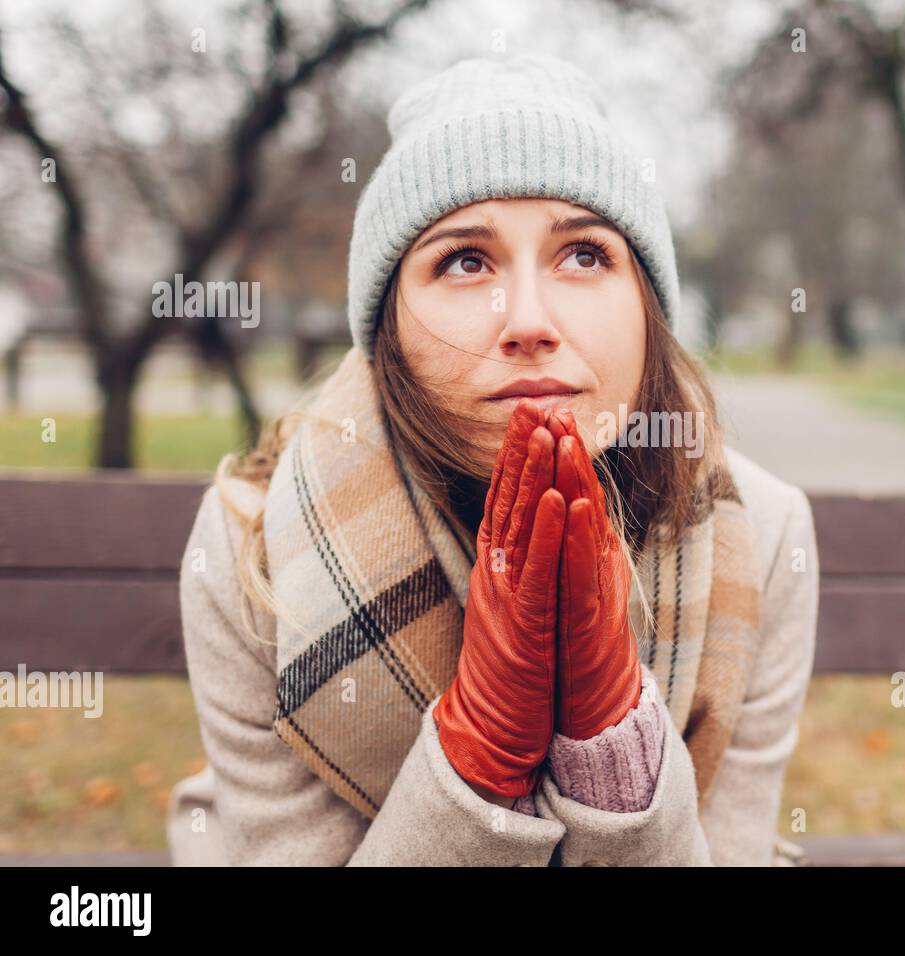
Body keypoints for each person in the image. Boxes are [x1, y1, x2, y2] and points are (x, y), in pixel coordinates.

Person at [165, 52, 819, 866]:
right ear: (386, 338)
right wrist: (478, 752)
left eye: (584, 255)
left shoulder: (764, 533)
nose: (530, 320)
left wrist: (613, 749)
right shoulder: (252, 542)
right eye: (465, 261)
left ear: (649, 309)